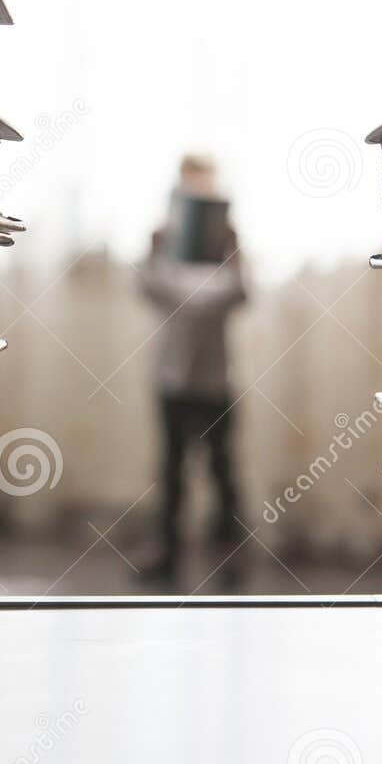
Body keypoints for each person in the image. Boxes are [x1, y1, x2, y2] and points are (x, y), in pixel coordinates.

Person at [137, 154, 248, 585]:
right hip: (171, 378)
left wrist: (232, 256)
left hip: (216, 380)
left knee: (224, 473)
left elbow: (239, 295)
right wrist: (156, 252)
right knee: (170, 473)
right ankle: (166, 552)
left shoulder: (228, 248)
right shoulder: (163, 244)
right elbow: (150, 290)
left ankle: (230, 555)